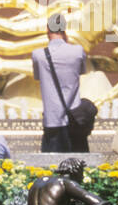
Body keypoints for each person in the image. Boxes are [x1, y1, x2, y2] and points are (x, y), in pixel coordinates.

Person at [32, 10, 88, 153]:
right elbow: (81, 71)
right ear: (64, 30)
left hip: (52, 120)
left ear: (47, 29)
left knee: (51, 168)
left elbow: (37, 77)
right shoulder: (78, 51)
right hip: (75, 119)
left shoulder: (38, 54)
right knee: (77, 167)